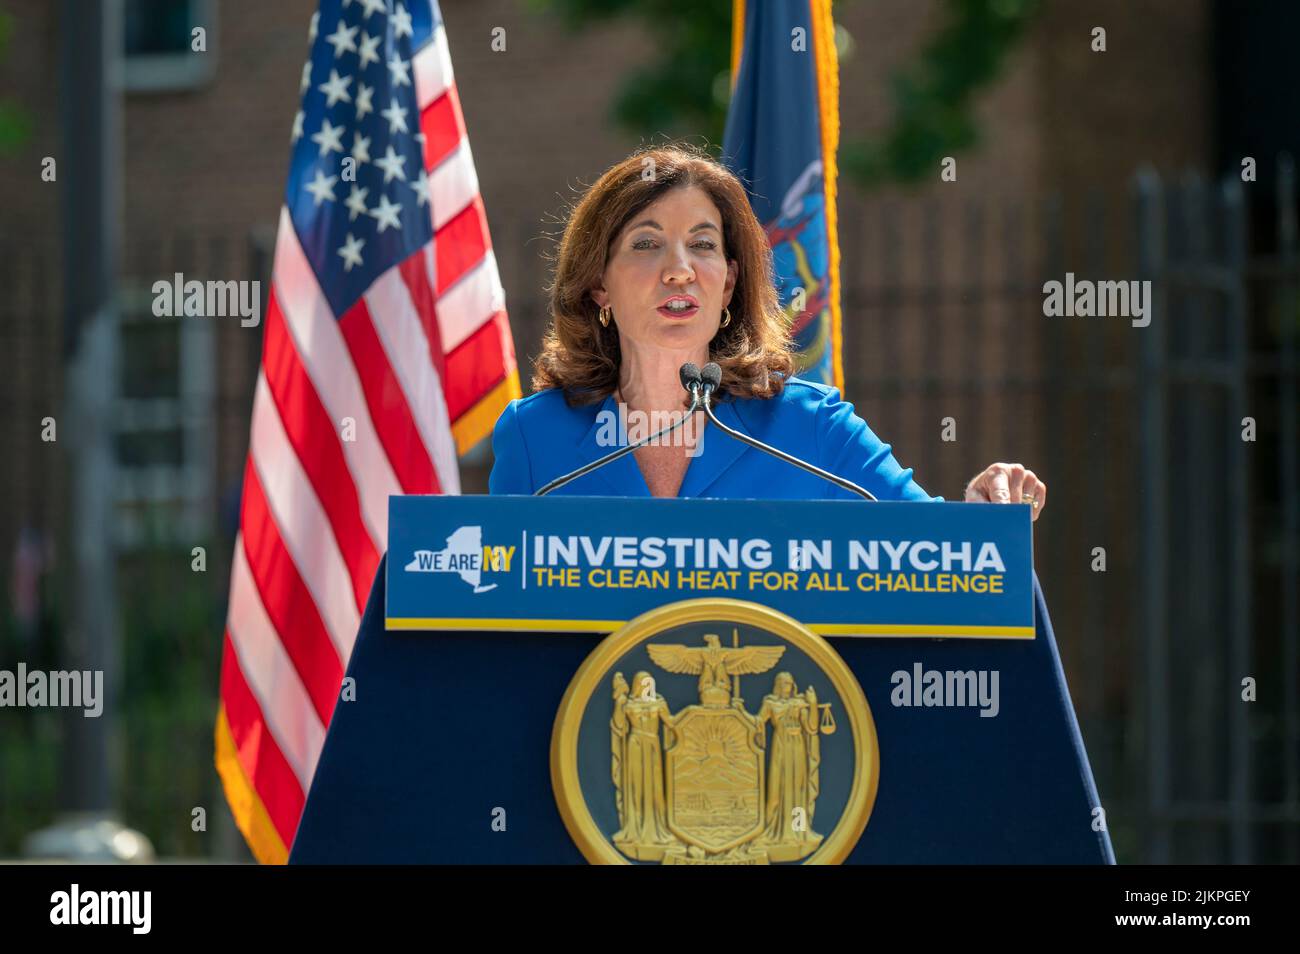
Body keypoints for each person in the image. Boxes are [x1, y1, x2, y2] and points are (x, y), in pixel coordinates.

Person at [488, 143, 1046, 514]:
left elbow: (931, 562)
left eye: (703, 245)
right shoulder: (535, 436)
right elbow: (499, 614)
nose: (680, 267)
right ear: (598, 285)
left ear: (728, 283)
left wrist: (978, 518)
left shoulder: (814, 429)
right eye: (646, 243)